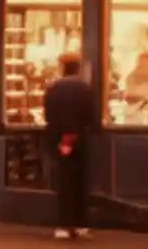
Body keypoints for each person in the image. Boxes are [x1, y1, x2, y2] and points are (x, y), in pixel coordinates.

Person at [42, 53, 95, 240]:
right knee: (80, 182)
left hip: (59, 140)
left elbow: (47, 115)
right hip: (79, 139)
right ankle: (80, 224)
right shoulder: (86, 89)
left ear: (62, 68)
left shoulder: (53, 89)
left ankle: (64, 225)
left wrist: (60, 137)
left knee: (63, 183)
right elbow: (92, 117)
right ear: (78, 68)